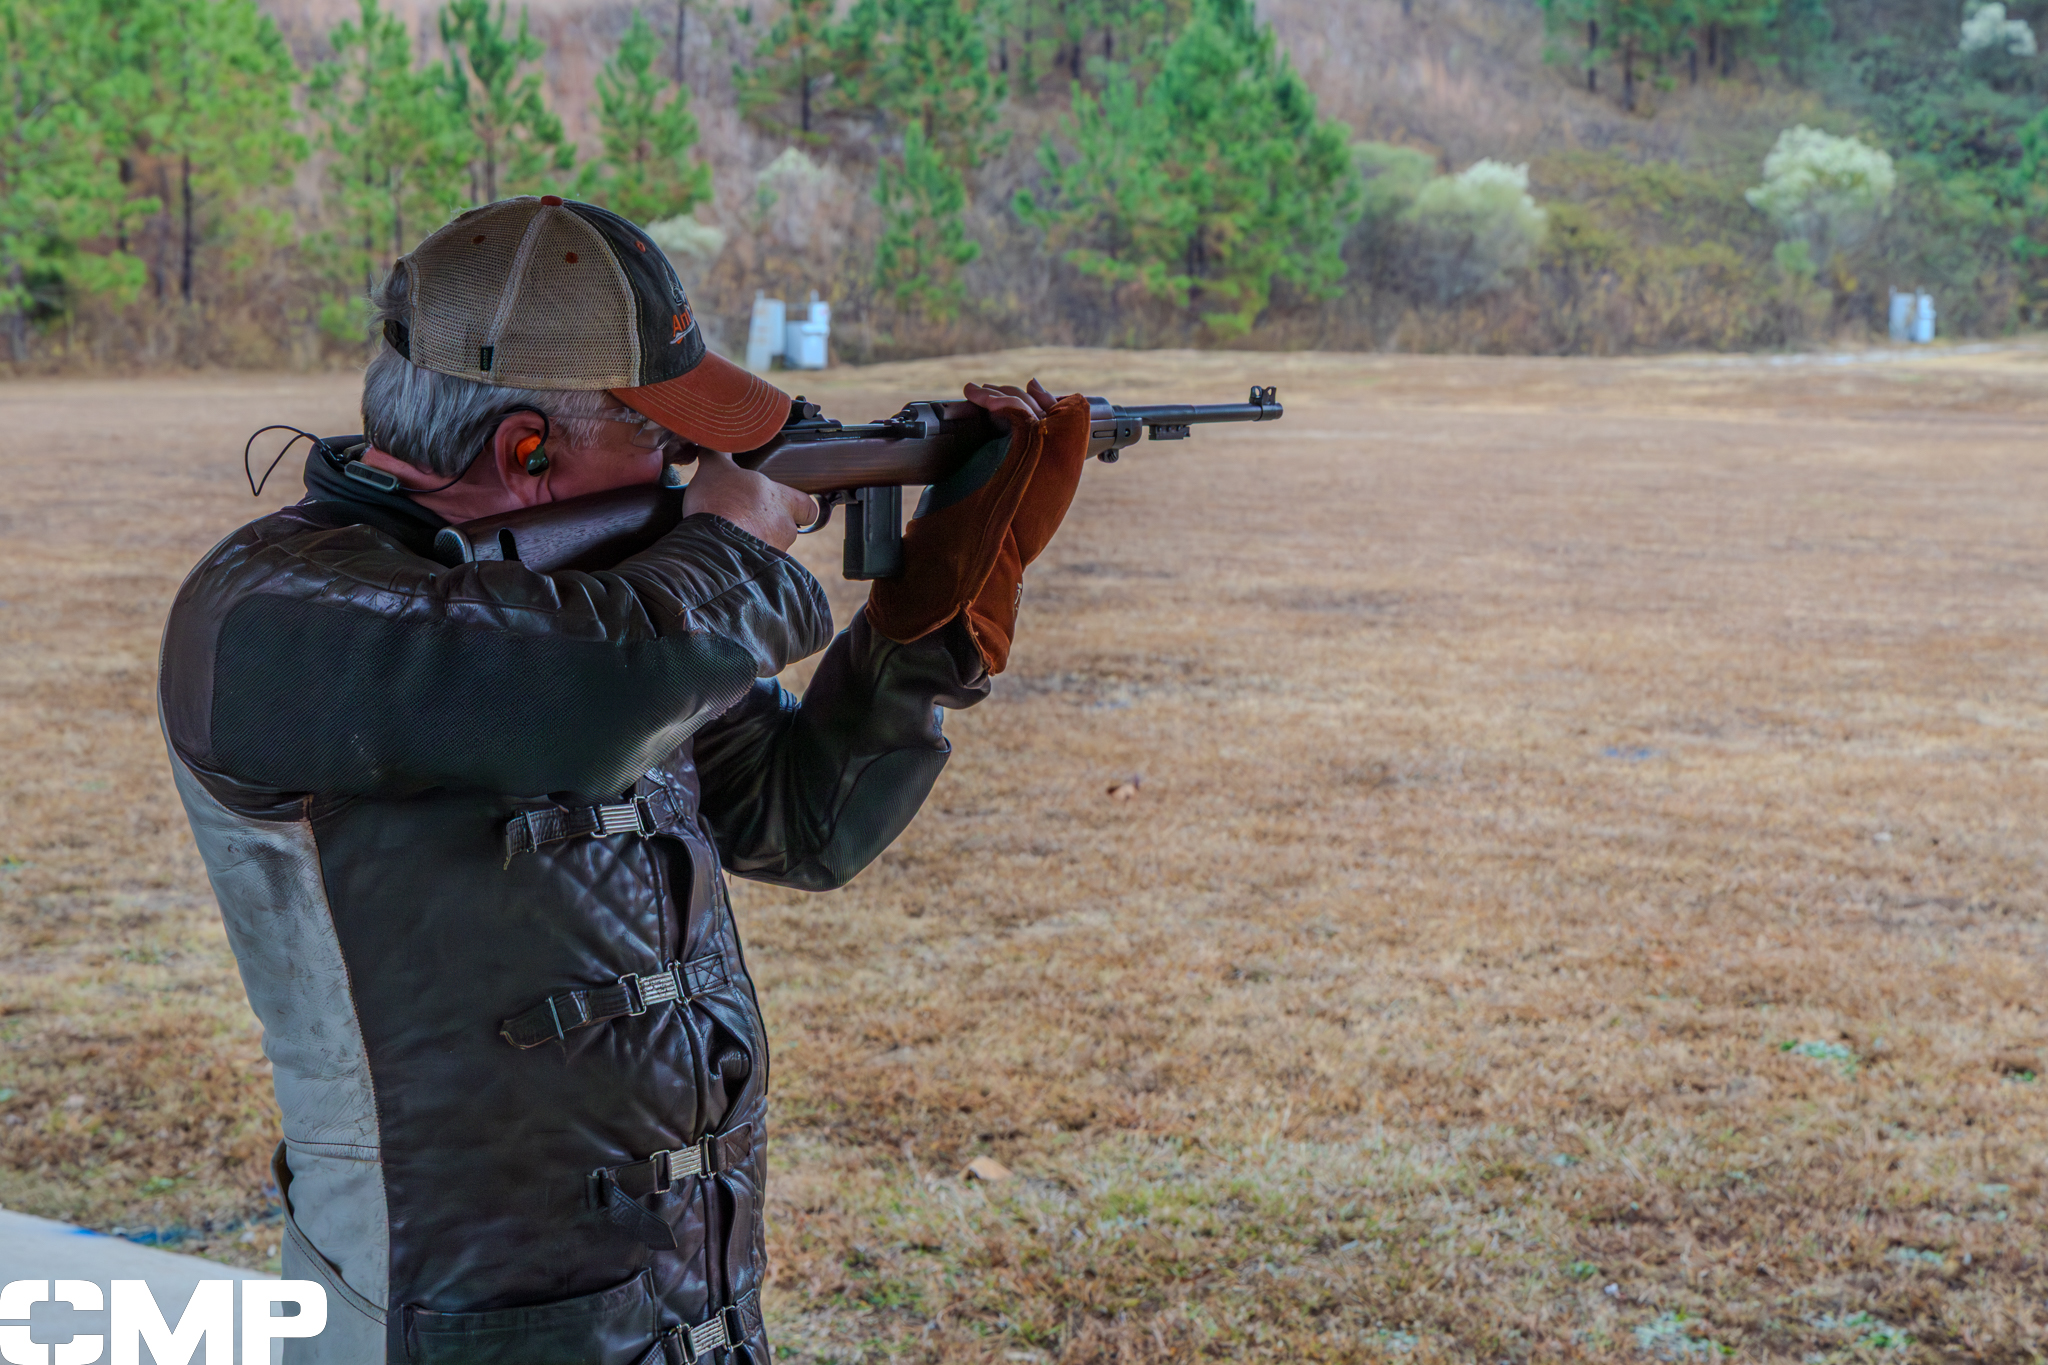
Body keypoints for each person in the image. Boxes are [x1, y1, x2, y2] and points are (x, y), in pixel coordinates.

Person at [157, 195, 1091, 1364]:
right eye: (665, 440)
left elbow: (803, 822)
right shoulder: (269, 613)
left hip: (672, 1307)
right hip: (436, 1323)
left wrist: (928, 627)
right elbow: (603, 682)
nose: (699, 469)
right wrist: (734, 547)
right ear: (525, 451)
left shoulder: (620, 604)